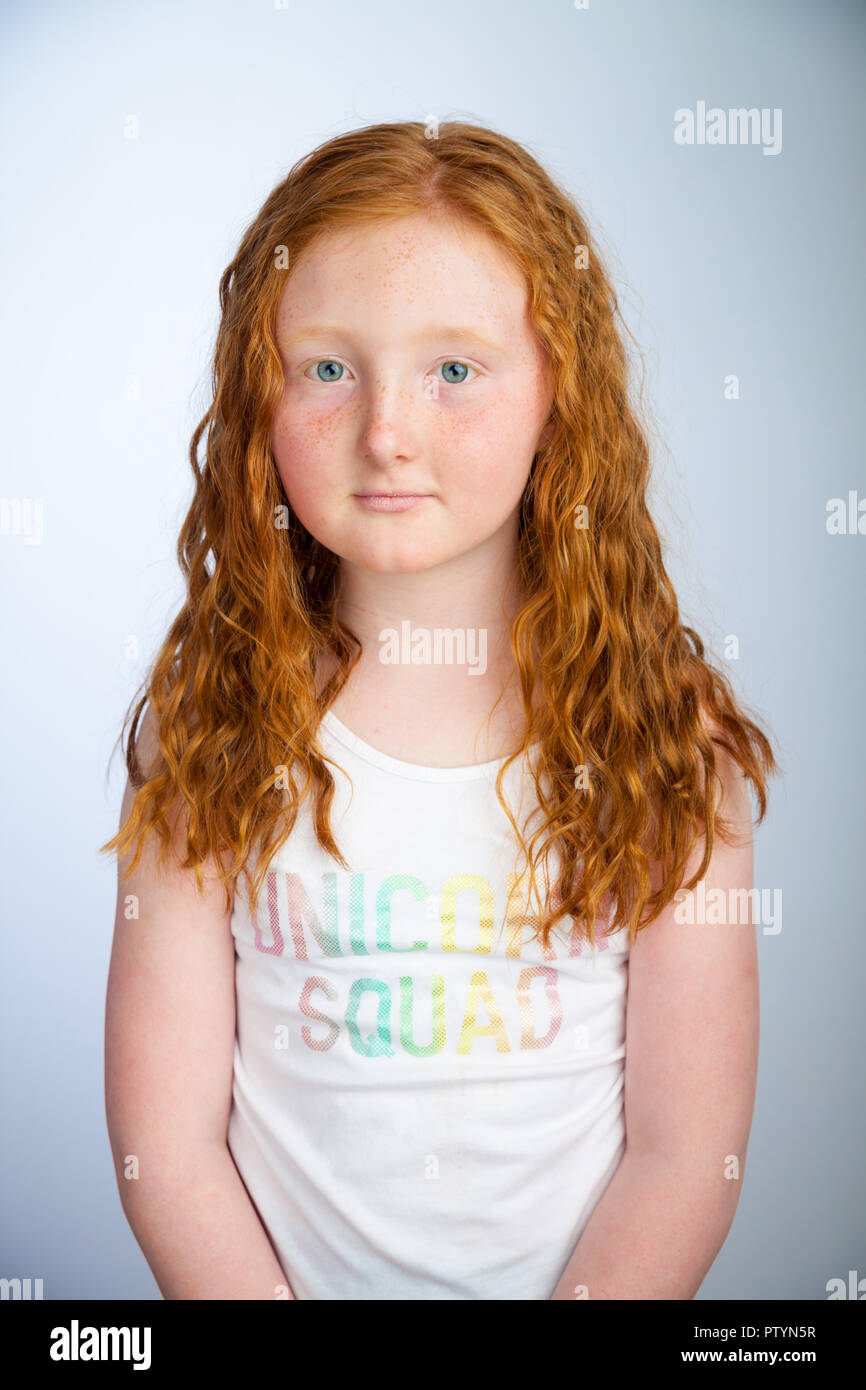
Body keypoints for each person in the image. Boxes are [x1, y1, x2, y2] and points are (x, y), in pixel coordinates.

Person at [102, 120, 778, 1300]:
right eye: (326, 367)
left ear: (556, 395)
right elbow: (167, 1150)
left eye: (452, 370)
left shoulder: (668, 744)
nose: (384, 432)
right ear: (256, 393)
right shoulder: (209, 729)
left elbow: (683, 1158)